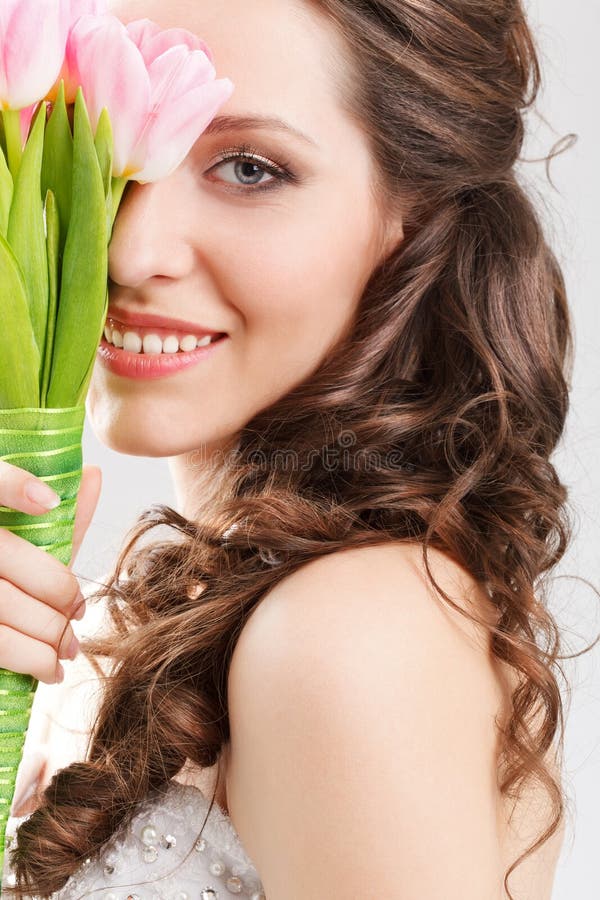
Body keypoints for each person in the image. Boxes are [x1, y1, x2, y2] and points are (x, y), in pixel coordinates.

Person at [0, 0, 580, 897]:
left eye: (249, 168)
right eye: (102, 148)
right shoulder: (136, 626)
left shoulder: (347, 634)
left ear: (416, 216)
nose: (129, 250)